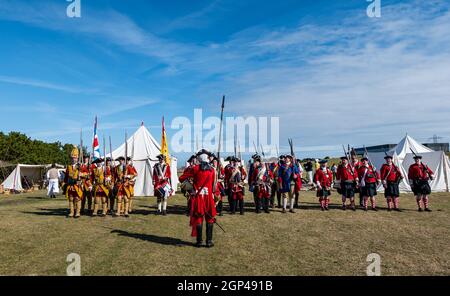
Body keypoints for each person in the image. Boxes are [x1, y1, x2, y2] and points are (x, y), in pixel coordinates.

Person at [179, 149, 217, 248]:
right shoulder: (213, 170)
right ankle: (209, 241)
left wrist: (191, 186)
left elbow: (181, 178)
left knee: (198, 218)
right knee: (210, 218)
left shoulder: (195, 168)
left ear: (199, 159)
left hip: (198, 197)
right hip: (209, 197)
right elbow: (214, 186)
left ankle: (199, 241)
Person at [64, 146, 83, 218]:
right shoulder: (68, 167)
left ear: (77, 158)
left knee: (77, 198)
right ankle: (71, 212)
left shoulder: (80, 166)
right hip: (70, 184)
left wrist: (82, 174)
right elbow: (66, 176)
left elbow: (87, 173)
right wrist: (64, 183)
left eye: (75, 158)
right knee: (71, 199)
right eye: (72, 158)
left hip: (77, 184)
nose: (73, 159)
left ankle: (77, 212)